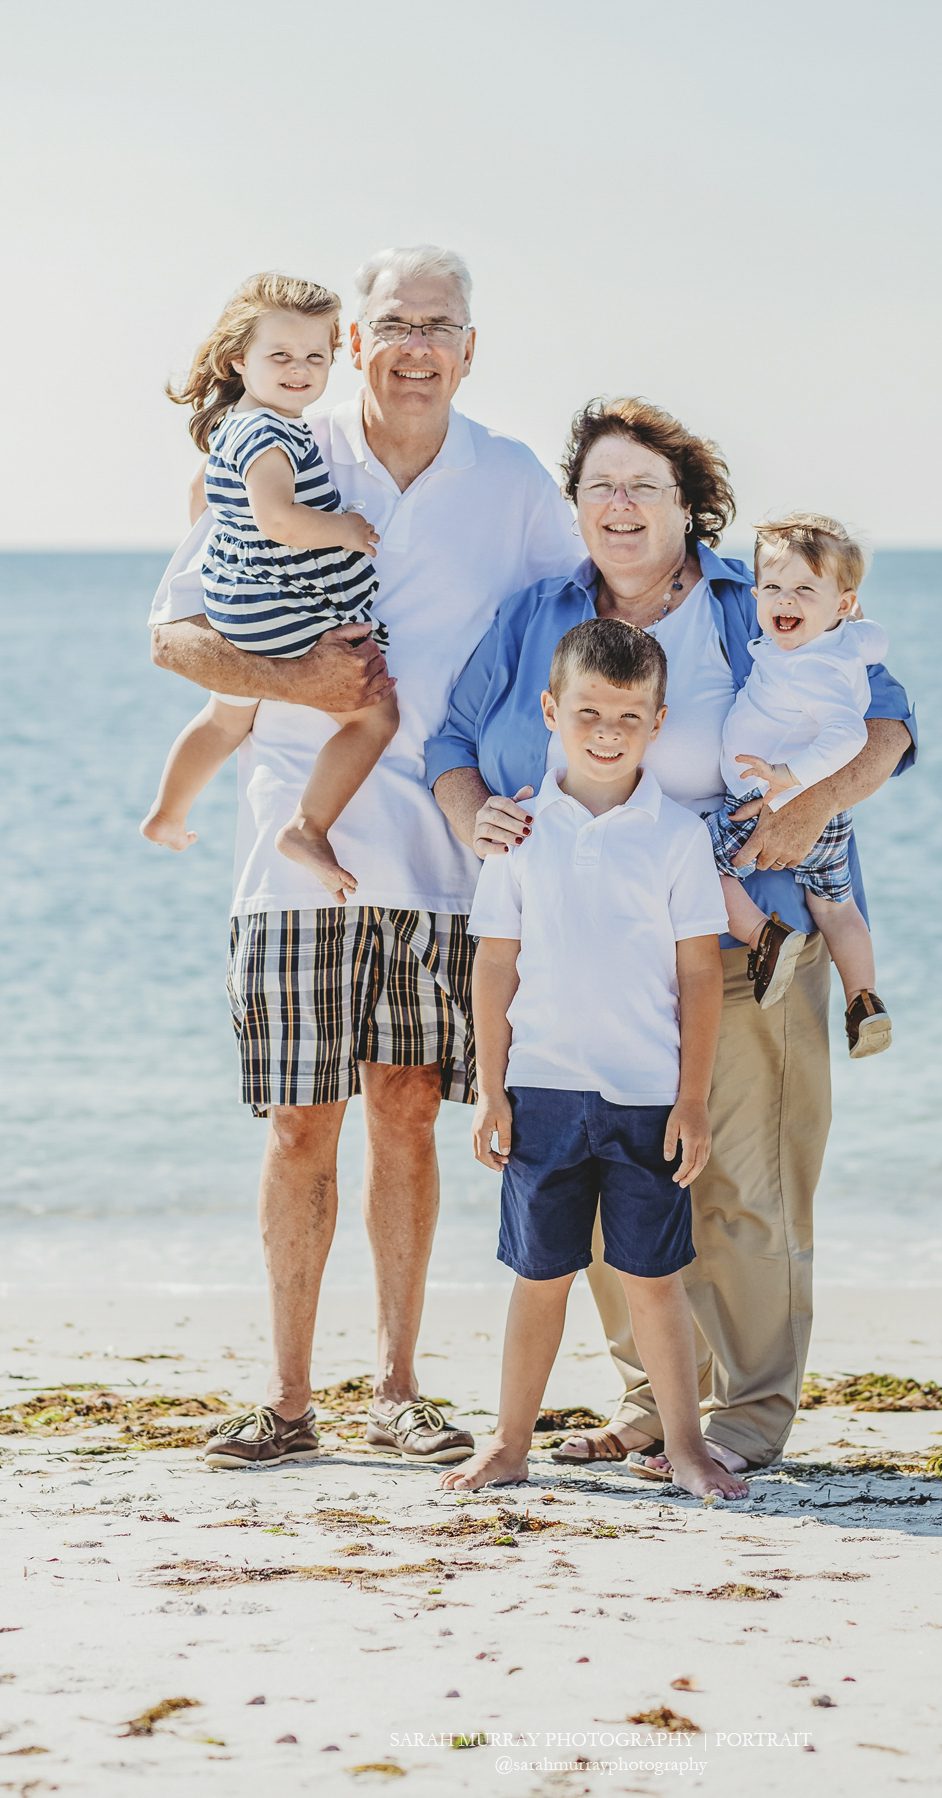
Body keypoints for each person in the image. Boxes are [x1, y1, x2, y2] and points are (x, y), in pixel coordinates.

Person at [426, 397, 916, 1478]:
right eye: (600, 485)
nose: (621, 505)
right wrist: (477, 819)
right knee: (616, 1186)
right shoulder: (538, 614)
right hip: (591, 963)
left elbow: (888, 722)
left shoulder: (758, 603)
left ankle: (747, 1414)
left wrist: (808, 810)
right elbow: (453, 740)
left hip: (751, 943)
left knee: (744, 1181)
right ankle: (658, 1399)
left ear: (692, 507)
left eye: (646, 485)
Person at [147, 245, 578, 1470]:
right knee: (299, 1123)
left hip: (449, 848)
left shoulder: (510, 480)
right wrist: (296, 680)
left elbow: (585, 620)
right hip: (298, 828)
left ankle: (397, 1389)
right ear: (356, 341)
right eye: (395, 320)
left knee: (407, 1116)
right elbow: (172, 636)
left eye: (441, 323)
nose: (417, 343)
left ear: (471, 347)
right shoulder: (291, 443)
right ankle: (289, 1401)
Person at [441, 619, 747, 1501]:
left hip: (648, 1098)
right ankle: (508, 1446)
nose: (607, 731)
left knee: (654, 1281)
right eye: (588, 712)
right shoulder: (520, 834)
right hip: (540, 1095)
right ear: (551, 710)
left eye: (627, 714)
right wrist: (486, 1090)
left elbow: (698, 971)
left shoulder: (678, 837)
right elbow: (493, 962)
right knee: (541, 1280)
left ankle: (686, 1447)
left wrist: (692, 1102)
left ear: (657, 722)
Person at [142, 273, 396, 904]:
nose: (299, 370)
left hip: (238, 605)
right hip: (276, 607)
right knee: (375, 717)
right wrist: (343, 530)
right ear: (240, 360)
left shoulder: (234, 426)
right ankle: (308, 827)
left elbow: (203, 505)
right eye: (280, 356)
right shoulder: (271, 434)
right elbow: (276, 518)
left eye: (315, 356)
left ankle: (168, 813)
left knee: (227, 717)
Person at [703, 512, 893, 1058]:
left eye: (805, 590)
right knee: (836, 907)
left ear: (841, 603)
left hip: (765, 804)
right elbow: (875, 641)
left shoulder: (807, 669)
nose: (785, 601)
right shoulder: (846, 642)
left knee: (698, 859)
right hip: (829, 820)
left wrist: (789, 776)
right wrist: (854, 627)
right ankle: (864, 1001)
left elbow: (848, 732)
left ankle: (764, 935)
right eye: (773, 588)